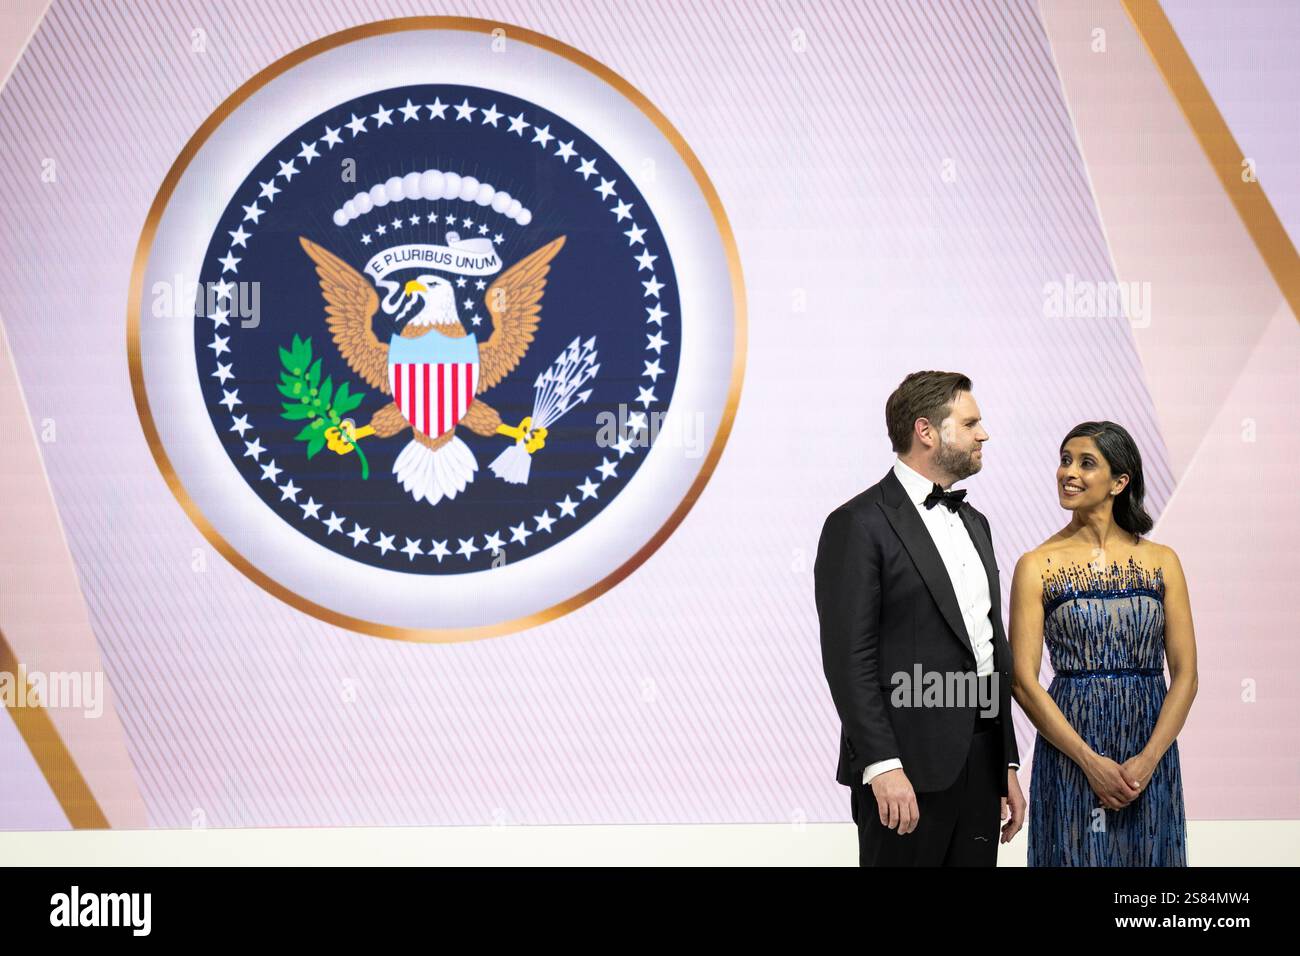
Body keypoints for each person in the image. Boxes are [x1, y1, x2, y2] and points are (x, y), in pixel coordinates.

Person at [815, 370, 1025, 866]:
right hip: (903, 771)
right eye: (971, 423)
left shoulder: (977, 523)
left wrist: (1006, 763)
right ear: (926, 431)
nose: (984, 434)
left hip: (980, 767)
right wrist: (882, 765)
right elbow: (849, 661)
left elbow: (988, 650)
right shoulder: (857, 523)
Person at [1009, 422, 1195, 866]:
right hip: (1071, 749)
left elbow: (1186, 676)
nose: (1068, 472)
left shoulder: (1162, 561)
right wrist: (1090, 762)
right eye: (1065, 460)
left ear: (1119, 481)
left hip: (1148, 749)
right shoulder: (1036, 565)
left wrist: (1148, 761)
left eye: (1085, 463)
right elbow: (1021, 680)